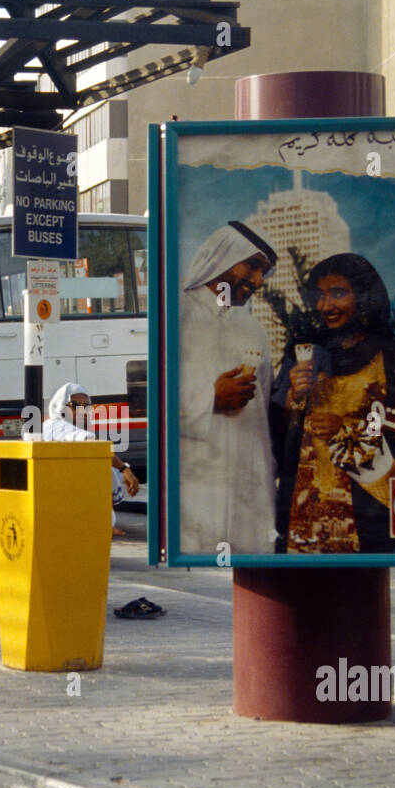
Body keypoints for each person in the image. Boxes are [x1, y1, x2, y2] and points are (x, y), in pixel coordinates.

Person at [271, 252, 395, 554]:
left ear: (365, 296)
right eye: (320, 296)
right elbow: (275, 432)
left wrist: (346, 429)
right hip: (305, 507)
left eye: (338, 293)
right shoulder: (307, 348)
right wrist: (295, 394)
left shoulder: (393, 353)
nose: (325, 306)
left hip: (368, 506)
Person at [178, 220, 279, 555]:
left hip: (251, 482)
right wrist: (211, 399)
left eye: (263, 272)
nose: (258, 281)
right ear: (221, 256)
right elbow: (151, 396)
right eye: (252, 266)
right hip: (198, 483)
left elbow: (267, 409)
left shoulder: (252, 328)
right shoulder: (175, 314)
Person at [43, 382, 140, 536]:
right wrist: (124, 469)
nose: (84, 411)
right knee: (104, 465)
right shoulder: (55, 425)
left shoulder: (68, 427)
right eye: (77, 406)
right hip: (60, 491)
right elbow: (92, 444)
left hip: (68, 490)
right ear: (62, 407)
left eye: (87, 406)